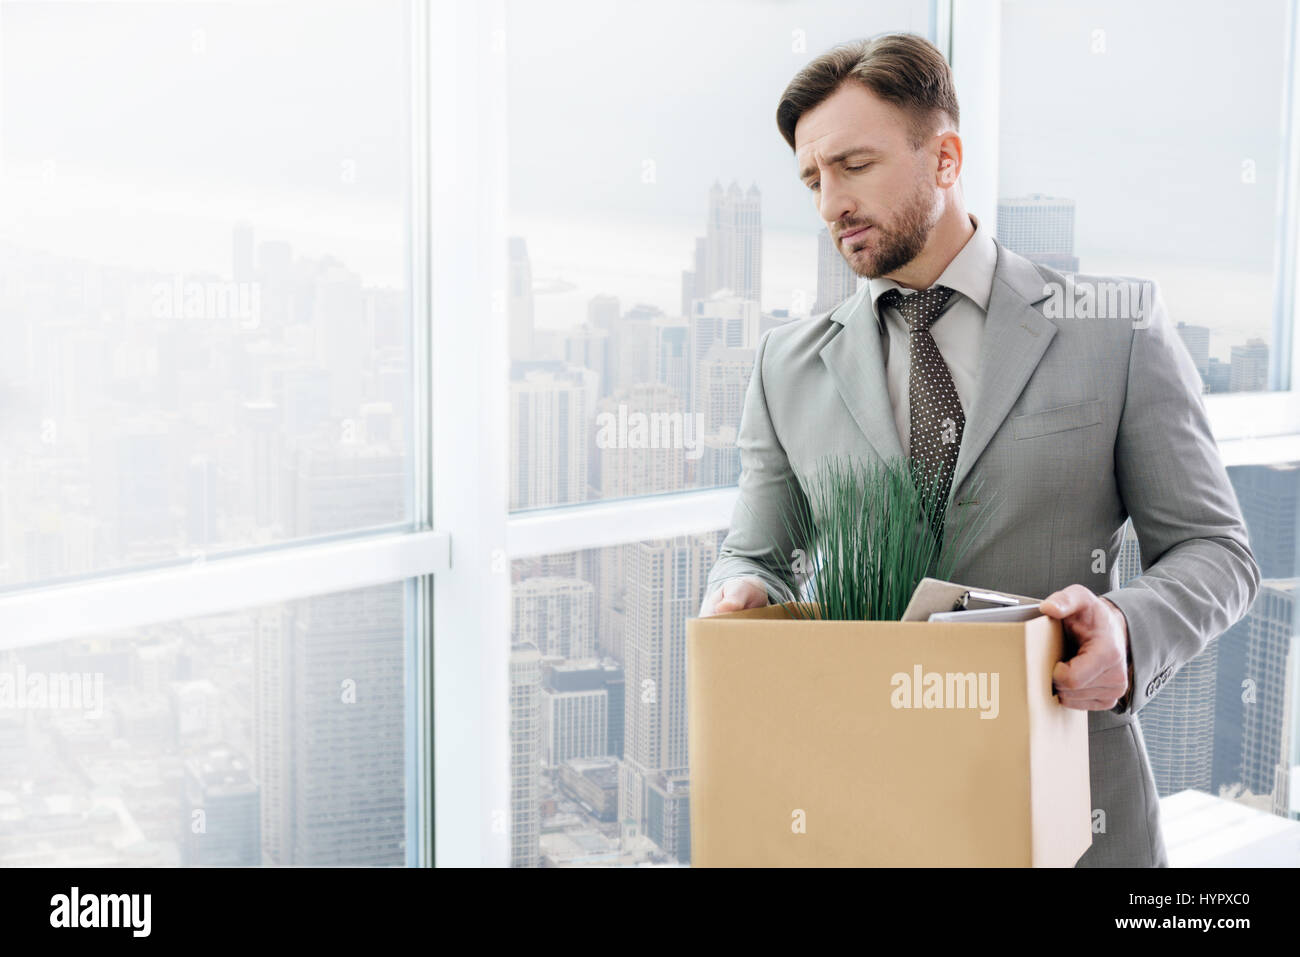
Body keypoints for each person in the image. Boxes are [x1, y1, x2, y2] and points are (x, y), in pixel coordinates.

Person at [697, 33, 1261, 867]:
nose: (829, 203)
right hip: (863, 810)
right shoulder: (787, 364)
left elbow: (1217, 551)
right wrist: (741, 591)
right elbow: (758, 551)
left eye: (854, 165)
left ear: (947, 157)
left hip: (1078, 811)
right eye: (814, 179)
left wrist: (1126, 630)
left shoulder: (1116, 325)